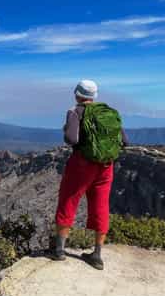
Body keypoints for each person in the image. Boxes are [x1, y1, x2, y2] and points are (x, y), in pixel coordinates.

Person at [50, 79, 128, 270]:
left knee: (68, 200)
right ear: (95, 96)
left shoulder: (75, 111)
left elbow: (71, 138)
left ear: (77, 94)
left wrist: (70, 133)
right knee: (101, 205)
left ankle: (59, 250)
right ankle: (97, 255)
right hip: (106, 167)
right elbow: (125, 141)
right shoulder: (108, 113)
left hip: (82, 165)